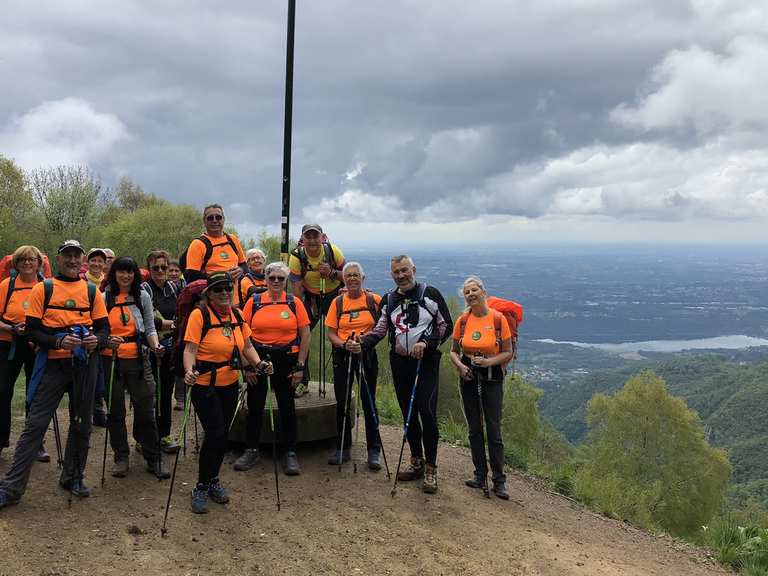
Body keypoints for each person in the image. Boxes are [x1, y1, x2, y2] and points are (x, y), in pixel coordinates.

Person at [0, 240, 109, 509]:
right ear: (59, 260)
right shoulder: (43, 289)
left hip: (84, 364)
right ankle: (11, 488)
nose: (72, 260)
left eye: (76, 256)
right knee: (35, 424)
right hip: (52, 364)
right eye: (67, 256)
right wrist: (58, 342)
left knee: (82, 422)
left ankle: (73, 476)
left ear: (81, 260)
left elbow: (104, 328)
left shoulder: (92, 291)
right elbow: (33, 331)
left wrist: (97, 340)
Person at [182, 271, 273, 514]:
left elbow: (247, 346)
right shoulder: (199, 315)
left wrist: (259, 364)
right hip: (204, 384)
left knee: (222, 435)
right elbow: (190, 348)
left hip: (230, 382)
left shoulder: (237, 314)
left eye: (227, 288)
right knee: (215, 433)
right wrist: (189, 371)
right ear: (208, 294)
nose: (224, 293)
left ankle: (213, 480)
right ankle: (201, 486)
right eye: (218, 289)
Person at [362, 255, 452, 494]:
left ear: (413, 269)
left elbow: (446, 326)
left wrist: (428, 344)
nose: (401, 276)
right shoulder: (389, 299)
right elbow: (380, 329)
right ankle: (416, 462)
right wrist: (361, 344)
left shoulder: (430, 293)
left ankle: (431, 468)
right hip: (400, 362)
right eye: (396, 272)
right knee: (408, 413)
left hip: (427, 363)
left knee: (426, 410)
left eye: (404, 270)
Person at [233, 262, 309, 475]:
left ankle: (290, 452)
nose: (276, 281)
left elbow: (306, 335)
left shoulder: (294, 303)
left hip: (286, 360)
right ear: (265, 280)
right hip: (258, 359)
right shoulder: (253, 302)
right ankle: (251, 449)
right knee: (255, 406)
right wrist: (246, 367)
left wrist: (300, 367)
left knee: (287, 406)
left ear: (286, 281)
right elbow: (241, 334)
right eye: (272, 277)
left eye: (280, 278)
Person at [102, 257, 170, 479]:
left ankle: (153, 457)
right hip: (111, 361)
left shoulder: (143, 296)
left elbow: (150, 328)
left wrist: (156, 345)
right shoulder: (105, 297)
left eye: (130, 272)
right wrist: (107, 340)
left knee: (146, 411)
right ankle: (121, 457)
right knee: (116, 412)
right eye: (121, 271)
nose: (126, 276)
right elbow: (99, 328)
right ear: (114, 273)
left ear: (135, 274)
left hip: (140, 360)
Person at [449, 276, 513, 500]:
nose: (471, 294)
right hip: (468, 374)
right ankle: (479, 474)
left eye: (474, 290)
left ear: (483, 292)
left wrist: (488, 362)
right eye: (467, 292)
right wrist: (460, 367)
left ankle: (499, 480)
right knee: (474, 428)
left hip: (492, 375)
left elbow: (507, 351)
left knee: (493, 429)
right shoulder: (463, 320)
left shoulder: (497, 319)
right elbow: (453, 351)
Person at [325, 262, 383, 469]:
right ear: (344, 279)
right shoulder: (337, 302)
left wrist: (364, 342)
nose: (351, 278)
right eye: (348, 275)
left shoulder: (373, 300)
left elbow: (382, 327)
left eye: (355, 275)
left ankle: (373, 450)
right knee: (342, 402)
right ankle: (343, 447)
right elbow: (331, 333)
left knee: (369, 402)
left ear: (363, 278)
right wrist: (344, 344)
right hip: (342, 356)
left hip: (366, 355)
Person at [0, 245, 49, 463]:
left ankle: (35, 443)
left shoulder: (46, 286)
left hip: (36, 346)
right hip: (7, 344)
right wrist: (11, 329)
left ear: (39, 263)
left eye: (32, 260)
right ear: (16, 264)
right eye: (22, 260)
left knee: (35, 394)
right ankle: (0, 440)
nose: (27, 263)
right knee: (2, 393)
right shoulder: (6, 286)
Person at [288, 224, 345, 396]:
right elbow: (296, 287)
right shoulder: (297, 256)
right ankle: (302, 381)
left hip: (334, 295)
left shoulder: (332, 251)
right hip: (312, 298)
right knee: (299, 334)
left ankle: (341, 381)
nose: (312, 240)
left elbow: (348, 276)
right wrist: (300, 313)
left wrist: (332, 272)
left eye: (315, 236)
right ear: (303, 239)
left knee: (340, 334)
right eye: (308, 237)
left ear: (322, 237)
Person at [142, 250, 180, 452]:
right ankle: (143, 438)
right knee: (147, 395)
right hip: (148, 349)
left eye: (163, 267)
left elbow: (180, 314)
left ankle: (163, 435)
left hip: (169, 350)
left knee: (166, 393)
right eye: (155, 267)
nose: (160, 270)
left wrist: (170, 325)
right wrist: (167, 324)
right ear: (149, 268)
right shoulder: (143, 289)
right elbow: (143, 318)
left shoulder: (173, 288)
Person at [183, 204, 247, 283]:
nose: (214, 220)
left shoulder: (233, 239)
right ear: (204, 221)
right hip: (211, 293)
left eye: (218, 217)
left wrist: (241, 270)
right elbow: (192, 275)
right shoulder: (197, 244)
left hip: (235, 294)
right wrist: (222, 277)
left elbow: (244, 265)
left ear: (223, 219)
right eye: (210, 218)